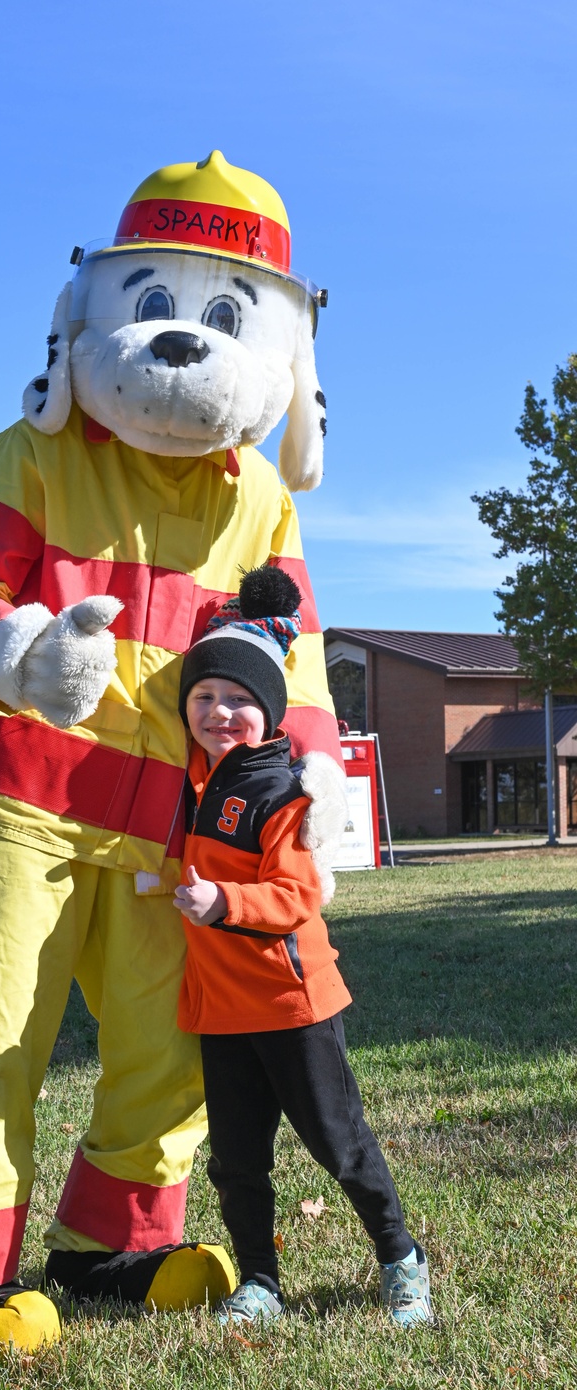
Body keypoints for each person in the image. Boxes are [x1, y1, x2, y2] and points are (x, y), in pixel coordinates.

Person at [173, 563, 433, 1328]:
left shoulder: (283, 791)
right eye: (203, 696)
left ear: (270, 710)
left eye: (238, 700)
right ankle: (260, 1282)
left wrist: (223, 901)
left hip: (292, 1003)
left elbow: (296, 896)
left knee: (339, 1143)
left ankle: (401, 1259)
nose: (219, 712)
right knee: (235, 1160)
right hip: (222, 1010)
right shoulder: (192, 782)